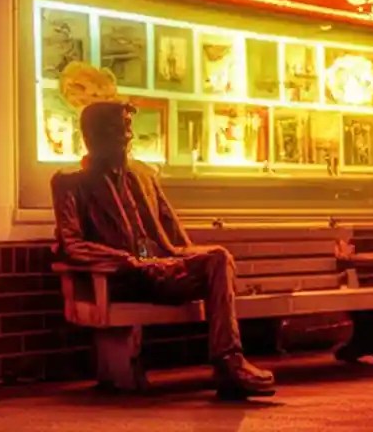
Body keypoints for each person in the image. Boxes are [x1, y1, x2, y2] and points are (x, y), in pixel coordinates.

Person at [52, 101, 276, 399]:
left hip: (159, 270)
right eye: (118, 130)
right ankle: (226, 364)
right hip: (121, 279)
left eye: (128, 129)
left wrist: (190, 258)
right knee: (212, 262)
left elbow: (174, 237)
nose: (127, 137)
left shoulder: (144, 176)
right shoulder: (71, 183)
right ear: (93, 136)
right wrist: (126, 261)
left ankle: (228, 363)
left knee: (218, 258)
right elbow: (72, 245)